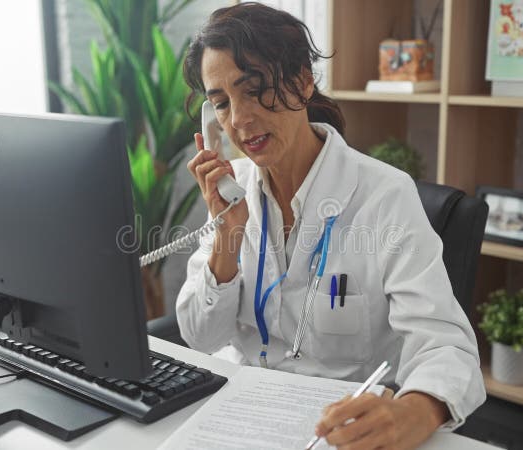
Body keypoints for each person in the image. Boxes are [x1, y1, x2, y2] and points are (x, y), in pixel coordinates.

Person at [176, 3, 485, 449]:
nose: (238, 120)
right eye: (222, 103)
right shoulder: (232, 192)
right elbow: (200, 336)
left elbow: (447, 346)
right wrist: (229, 234)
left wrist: (414, 410)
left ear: (303, 82)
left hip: (341, 426)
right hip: (241, 416)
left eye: (254, 89)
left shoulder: (385, 196)